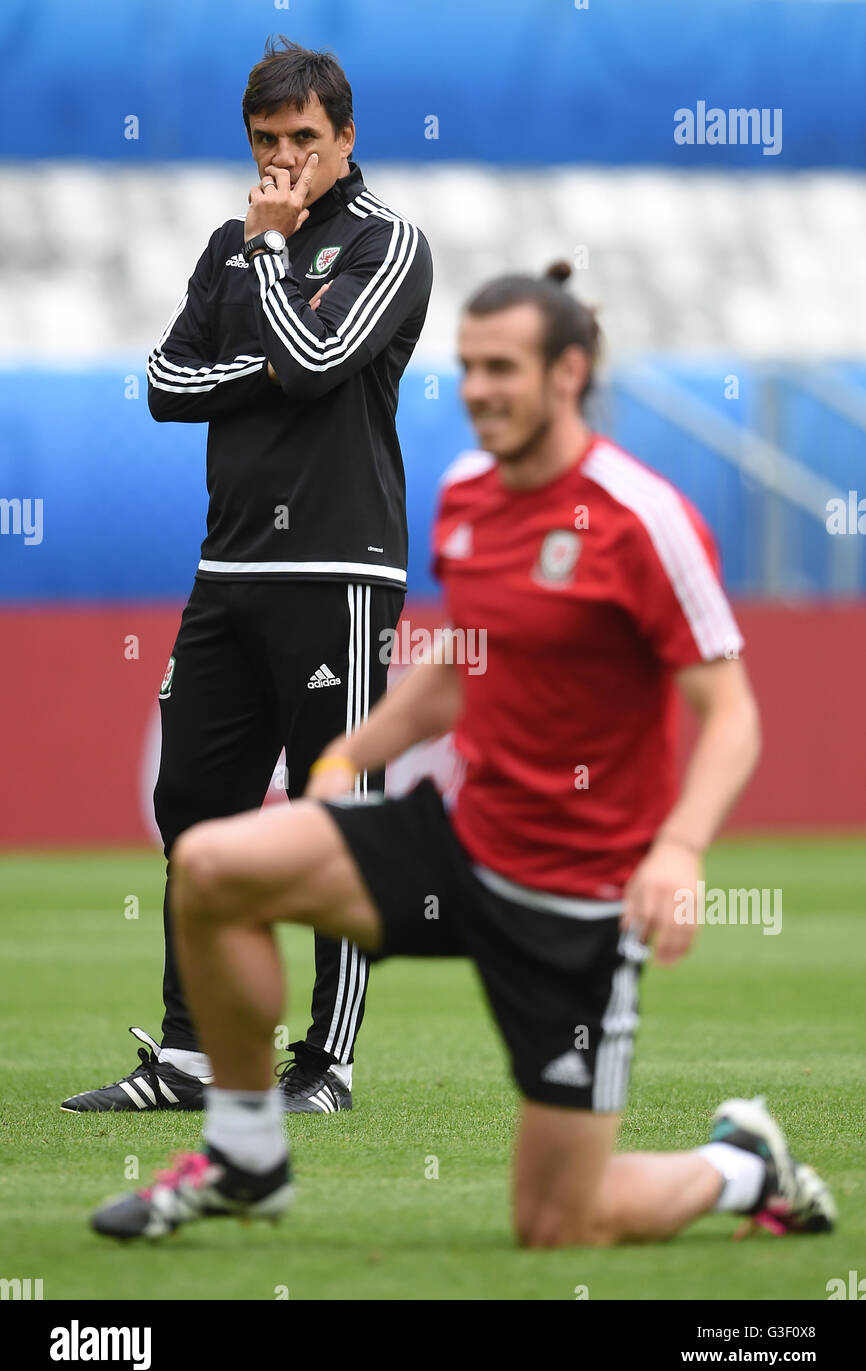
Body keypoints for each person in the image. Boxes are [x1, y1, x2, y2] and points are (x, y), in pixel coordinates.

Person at [91, 264, 835, 1245]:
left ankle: (740, 1167)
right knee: (214, 866)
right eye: (468, 367)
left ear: (567, 373)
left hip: (573, 898)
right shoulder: (468, 493)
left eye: (501, 369)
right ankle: (245, 1155)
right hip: (462, 842)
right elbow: (463, 660)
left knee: (558, 1225)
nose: (476, 389)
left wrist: (679, 850)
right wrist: (355, 747)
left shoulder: (640, 516)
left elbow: (729, 713)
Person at [62, 38, 433, 1117]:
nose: (283, 164)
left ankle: (326, 1063)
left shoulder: (386, 241)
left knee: (335, 813)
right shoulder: (228, 244)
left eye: (303, 142)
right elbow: (166, 383)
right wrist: (265, 356)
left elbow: (323, 364)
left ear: (345, 139)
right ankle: (191, 1055)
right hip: (229, 566)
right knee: (195, 808)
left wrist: (273, 274)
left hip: (340, 566)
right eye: (266, 143)